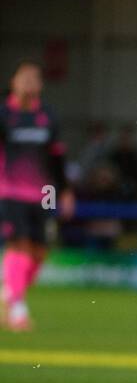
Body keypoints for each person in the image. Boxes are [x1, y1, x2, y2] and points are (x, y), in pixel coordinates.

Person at [0, 60, 74, 331]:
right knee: (19, 245)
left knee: (40, 252)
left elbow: (57, 158)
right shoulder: (4, 115)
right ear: (14, 83)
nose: (29, 83)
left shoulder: (47, 116)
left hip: (44, 192)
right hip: (10, 191)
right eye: (24, 78)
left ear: (41, 85)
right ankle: (17, 309)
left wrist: (64, 191)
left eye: (34, 79)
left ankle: (7, 290)